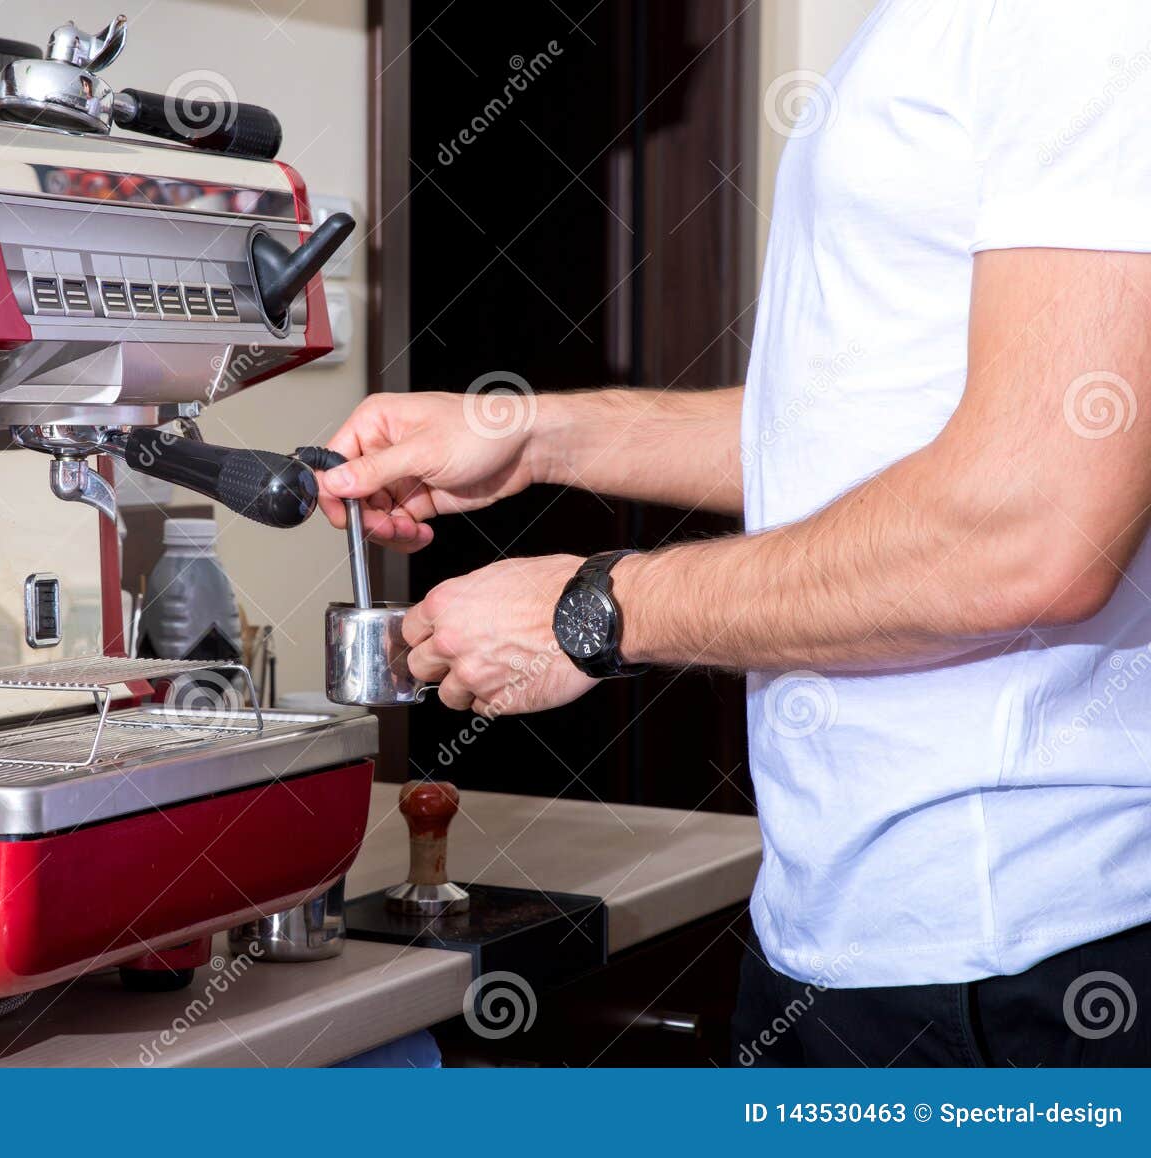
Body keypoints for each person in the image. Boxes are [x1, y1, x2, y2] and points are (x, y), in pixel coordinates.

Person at [316, 1, 1151, 1065]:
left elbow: (1031, 526)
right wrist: (527, 435)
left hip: (1014, 963)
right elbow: (854, 437)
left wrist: (591, 612)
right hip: (846, 935)